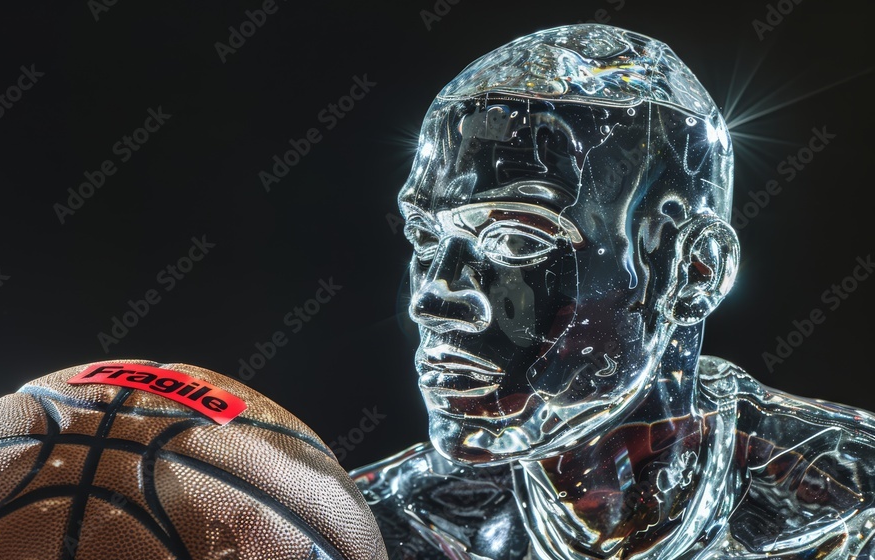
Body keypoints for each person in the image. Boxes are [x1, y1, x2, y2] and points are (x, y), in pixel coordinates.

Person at [352, 24, 875, 560]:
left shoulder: (851, 516)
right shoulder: (380, 529)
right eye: (423, 235)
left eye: (514, 239)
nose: (432, 300)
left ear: (694, 272)